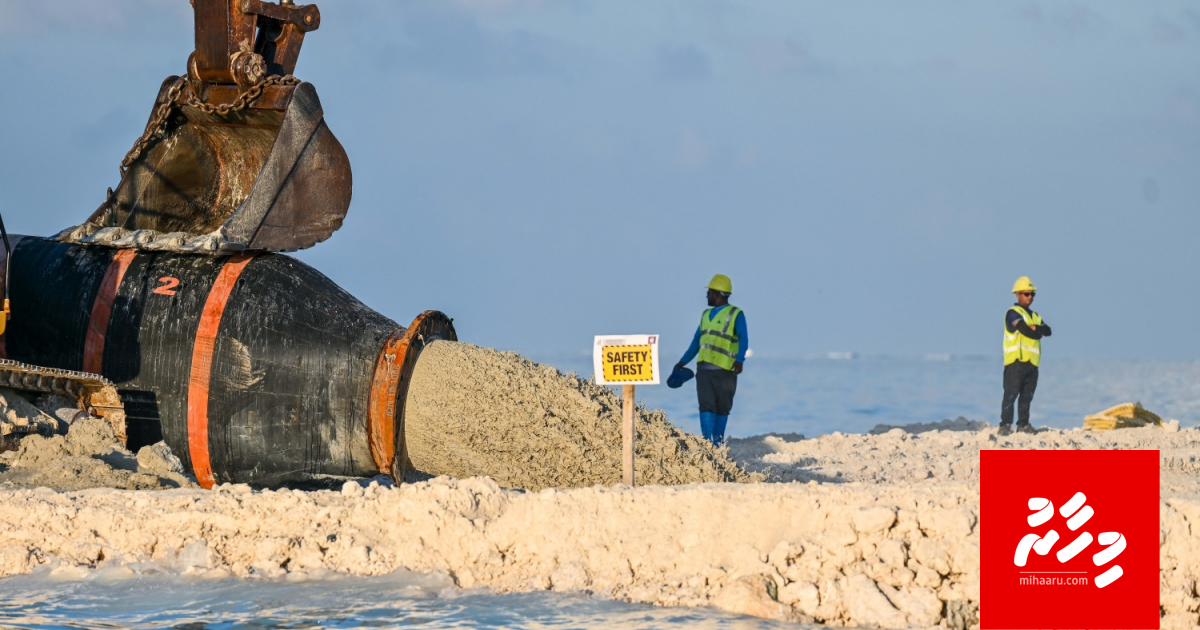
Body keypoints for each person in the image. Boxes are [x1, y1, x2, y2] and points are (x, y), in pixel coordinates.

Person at [676, 274, 748, 445]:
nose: (706, 296)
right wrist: (682, 362)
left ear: (716, 294)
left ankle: (718, 443)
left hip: (726, 371)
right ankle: (708, 444)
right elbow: (696, 341)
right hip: (704, 370)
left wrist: (740, 360)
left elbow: (743, 339)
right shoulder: (704, 315)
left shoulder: (736, 314)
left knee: (722, 408)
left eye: (708, 292)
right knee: (706, 406)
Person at [1001, 276, 1052, 436]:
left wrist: (1036, 327)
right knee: (1011, 394)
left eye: (1032, 294)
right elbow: (1024, 330)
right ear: (1017, 294)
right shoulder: (1013, 313)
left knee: (1027, 397)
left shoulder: (1035, 316)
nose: (1030, 297)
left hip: (1032, 364)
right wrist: (1037, 333)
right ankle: (1005, 425)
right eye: (1026, 294)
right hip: (1016, 361)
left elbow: (1048, 331)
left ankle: (1023, 424)